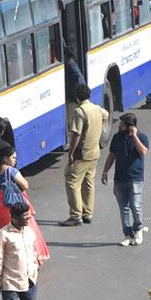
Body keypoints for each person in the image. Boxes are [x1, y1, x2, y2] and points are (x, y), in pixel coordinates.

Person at [0, 145, 51, 262]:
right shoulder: (11, 171)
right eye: (13, 157)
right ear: (6, 158)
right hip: (8, 206)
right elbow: (25, 185)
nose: (15, 160)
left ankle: (2, 258)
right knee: (20, 231)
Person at [60, 84, 108, 227]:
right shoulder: (96, 108)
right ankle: (87, 213)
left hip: (82, 153)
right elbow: (106, 115)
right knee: (89, 182)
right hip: (94, 152)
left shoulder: (79, 112)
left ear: (77, 97)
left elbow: (76, 134)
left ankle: (76, 215)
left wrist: (71, 152)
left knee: (72, 182)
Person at [101, 112, 149, 246]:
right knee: (124, 208)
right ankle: (127, 234)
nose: (119, 126)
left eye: (122, 125)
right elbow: (111, 155)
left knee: (136, 205)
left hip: (135, 178)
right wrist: (105, 171)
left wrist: (134, 136)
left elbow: (143, 151)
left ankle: (138, 229)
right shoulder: (117, 138)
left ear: (130, 126)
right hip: (120, 179)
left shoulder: (141, 137)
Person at [64, 46, 87, 145]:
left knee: (72, 121)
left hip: (74, 100)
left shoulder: (70, 65)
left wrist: (77, 96)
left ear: (65, 55)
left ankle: (77, 142)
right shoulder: (71, 63)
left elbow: (79, 79)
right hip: (74, 98)